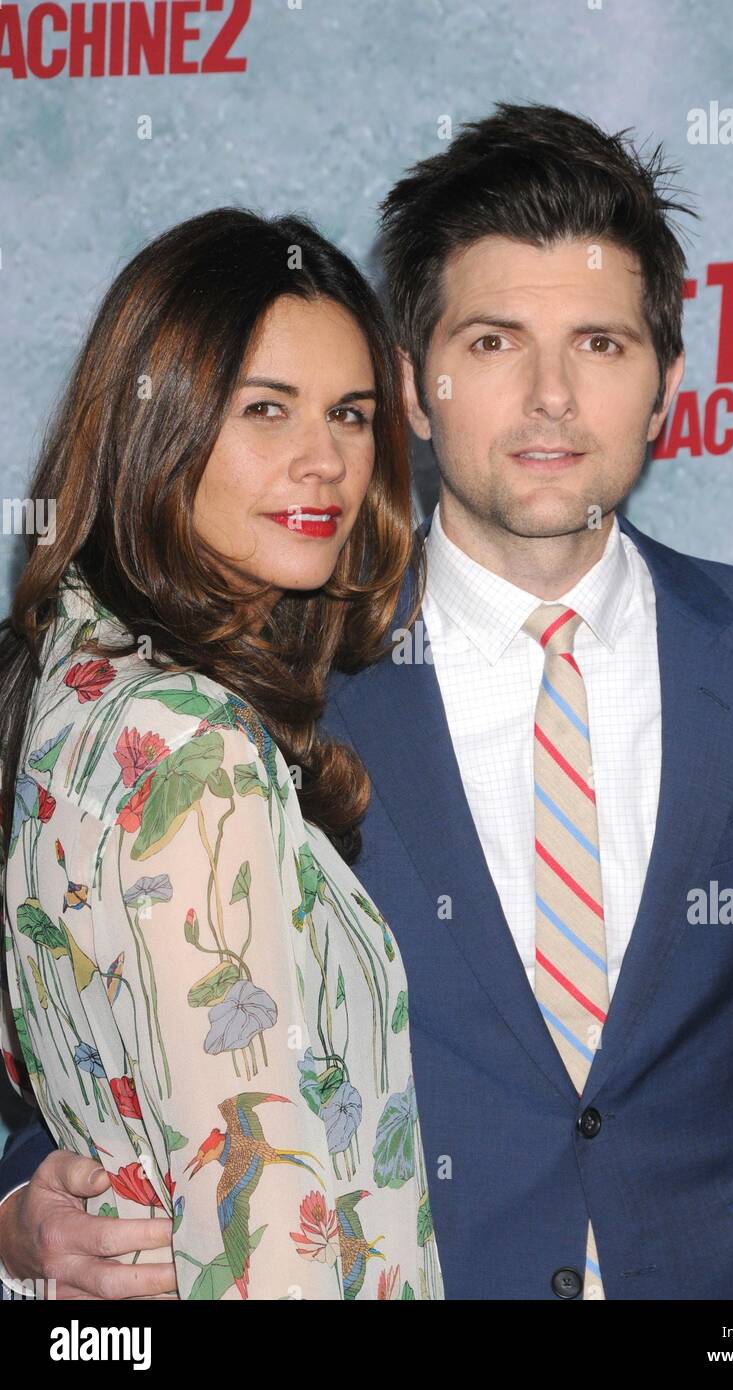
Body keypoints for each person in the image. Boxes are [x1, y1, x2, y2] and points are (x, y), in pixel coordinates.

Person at [3, 101, 733, 1302]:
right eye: (492, 342)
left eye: (600, 344)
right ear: (415, 387)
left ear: (668, 380)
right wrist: (20, 1201)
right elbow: (60, 996)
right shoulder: (264, 672)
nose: (548, 398)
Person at [0, 207, 445, 1301]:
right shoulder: (191, 748)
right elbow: (258, 1234)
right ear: (157, 424)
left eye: (350, 413)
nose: (325, 458)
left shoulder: (67, 678)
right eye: (265, 409)